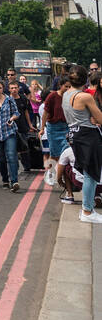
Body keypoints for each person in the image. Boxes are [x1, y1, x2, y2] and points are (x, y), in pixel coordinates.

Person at [62, 65, 102, 223]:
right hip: (88, 136)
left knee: (87, 173)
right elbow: (100, 119)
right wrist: (93, 119)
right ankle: (87, 211)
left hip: (74, 134)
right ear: (86, 79)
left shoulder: (66, 94)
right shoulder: (85, 97)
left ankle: (87, 209)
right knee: (91, 175)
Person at [40, 78, 68, 180]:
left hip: (66, 128)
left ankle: (64, 176)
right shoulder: (52, 96)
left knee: (66, 153)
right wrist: (42, 128)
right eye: (66, 86)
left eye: (70, 87)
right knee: (54, 154)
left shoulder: (70, 96)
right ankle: (50, 173)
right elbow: (45, 113)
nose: (68, 89)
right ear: (60, 85)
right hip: (53, 128)